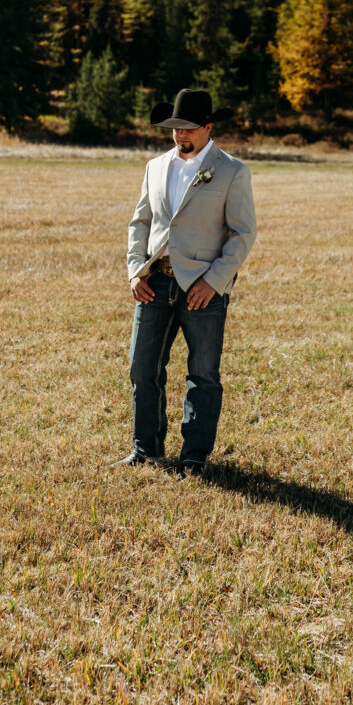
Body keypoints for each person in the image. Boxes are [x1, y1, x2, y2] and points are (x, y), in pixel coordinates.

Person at [116, 89, 257, 475]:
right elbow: (140, 222)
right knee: (142, 369)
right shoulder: (155, 167)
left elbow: (242, 234)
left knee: (203, 374)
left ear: (208, 128)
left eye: (189, 129)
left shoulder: (232, 171)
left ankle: (194, 455)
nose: (180, 136)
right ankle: (145, 449)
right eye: (175, 128)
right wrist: (134, 270)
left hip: (202, 290)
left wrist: (213, 281)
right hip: (155, 284)